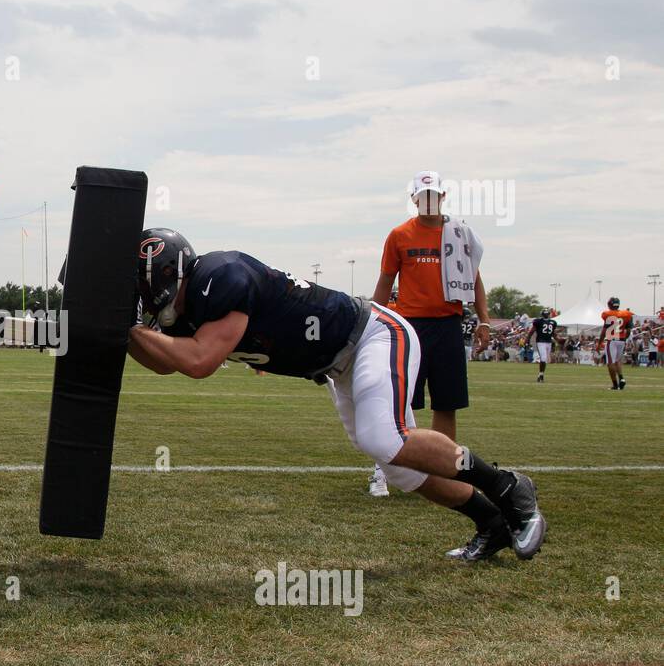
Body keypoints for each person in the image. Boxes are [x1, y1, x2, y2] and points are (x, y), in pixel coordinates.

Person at [129, 227, 546, 562]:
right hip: (337, 363)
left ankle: (509, 486)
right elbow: (169, 362)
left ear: (171, 272)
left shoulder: (220, 276)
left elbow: (200, 362)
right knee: (400, 469)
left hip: (372, 333)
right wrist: (125, 337)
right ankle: (491, 524)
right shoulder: (188, 307)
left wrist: (131, 330)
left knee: (384, 437)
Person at [368, 170, 491, 498]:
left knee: (446, 404)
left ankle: (442, 473)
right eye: (422, 197)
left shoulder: (459, 234)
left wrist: (485, 320)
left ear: (443, 197)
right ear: (413, 200)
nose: (428, 202)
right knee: (400, 405)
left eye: (434, 195)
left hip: (449, 325)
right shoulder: (399, 235)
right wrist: (372, 321)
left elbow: (475, 280)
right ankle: (382, 470)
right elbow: (385, 280)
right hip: (410, 327)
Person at [597, 297, 634, 390]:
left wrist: (599, 344)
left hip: (612, 340)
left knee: (610, 363)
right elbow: (629, 330)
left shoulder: (607, 314)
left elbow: (604, 331)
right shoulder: (626, 314)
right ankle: (621, 379)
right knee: (617, 361)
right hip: (621, 340)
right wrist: (624, 338)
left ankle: (615, 385)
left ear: (610, 304)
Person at [526, 309, 558, 382]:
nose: (546, 315)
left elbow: (553, 333)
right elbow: (532, 331)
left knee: (545, 360)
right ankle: (541, 375)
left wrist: (558, 340)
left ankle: (541, 375)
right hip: (541, 342)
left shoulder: (553, 322)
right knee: (543, 358)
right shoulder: (538, 321)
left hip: (549, 342)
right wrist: (527, 339)